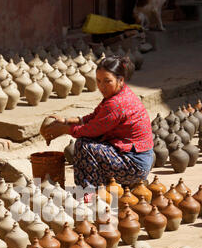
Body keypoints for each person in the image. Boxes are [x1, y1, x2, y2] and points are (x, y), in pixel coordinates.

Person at [43, 55, 154, 193]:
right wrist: (67, 121)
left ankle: (89, 194)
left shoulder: (116, 103)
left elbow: (92, 130)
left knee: (84, 146)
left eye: (107, 81)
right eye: (99, 81)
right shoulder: (119, 94)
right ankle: (102, 188)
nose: (102, 86)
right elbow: (95, 117)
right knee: (90, 143)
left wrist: (64, 129)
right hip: (135, 158)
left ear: (120, 80)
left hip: (135, 165)